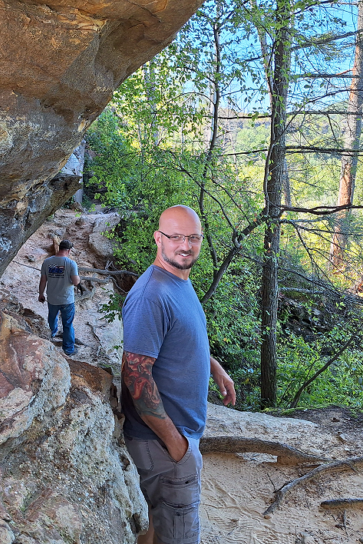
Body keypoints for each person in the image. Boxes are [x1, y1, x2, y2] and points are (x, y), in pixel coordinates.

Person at [121, 205, 236, 544]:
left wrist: (214, 367)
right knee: (180, 536)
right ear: (159, 238)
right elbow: (136, 375)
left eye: (193, 237)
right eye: (175, 237)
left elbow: (180, 336)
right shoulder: (151, 295)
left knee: (159, 524)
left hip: (176, 436)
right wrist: (177, 445)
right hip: (163, 442)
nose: (185, 245)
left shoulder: (178, 282)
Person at [38, 239, 81, 355]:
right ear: (69, 250)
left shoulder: (47, 262)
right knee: (67, 324)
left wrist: (41, 293)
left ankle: (51, 335)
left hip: (52, 298)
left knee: (52, 317)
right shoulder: (71, 263)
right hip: (67, 299)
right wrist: (79, 279)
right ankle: (68, 349)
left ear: (59, 248)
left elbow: (43, 280)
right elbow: (76, 282)